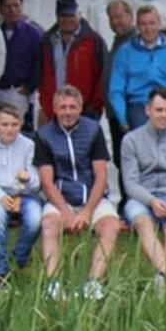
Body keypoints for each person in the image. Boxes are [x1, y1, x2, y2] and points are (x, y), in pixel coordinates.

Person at [33, 84, 120, 298]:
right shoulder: (44, 135)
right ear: (54, 109)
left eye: (73, 107)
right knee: (49, 224)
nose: (68, 112)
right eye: (63, 107)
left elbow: (101, 176)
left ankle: (93, 282)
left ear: (80, 108)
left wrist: (87, 212)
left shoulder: (93, 130)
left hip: (93, 197)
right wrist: (66, 213)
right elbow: (46, 181)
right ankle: (53, 284)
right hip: (61, 198)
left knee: (110, 225)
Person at [118, 86, 166, 286]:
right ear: (147, 110)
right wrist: (151, 201)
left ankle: (163, 280)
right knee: (143, 223)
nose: (164, 115)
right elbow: (130, 183)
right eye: (159, 110)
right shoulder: (130, 140)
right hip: (143, 195)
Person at [109, 5, 166, 133]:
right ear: (137, 26)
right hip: (139, 104)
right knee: (144, 138)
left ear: (159, 24)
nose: (148, 28)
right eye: (143, 24)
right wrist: (123, 119)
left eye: (152, 23)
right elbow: (116, 90)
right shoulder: (125, 52)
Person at [0, 103, 43, 280]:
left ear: (20, 124)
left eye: (14, 125)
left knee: (35, 219)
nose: (10, 129)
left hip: (26, 194)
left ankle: (17, 259)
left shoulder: (29, 145)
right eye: (5, 125)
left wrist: (26, 181)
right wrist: (0, 197)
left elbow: (36, 181)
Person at [39, 0, 107, 124]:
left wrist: (94, 106)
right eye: (63, 16)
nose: (67, 20)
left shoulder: (94, 40)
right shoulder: (46, 41)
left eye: (71, 15)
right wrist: (47, 105)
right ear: (57, 17)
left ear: (79, 15)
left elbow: (103, 76)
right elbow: (41, 73)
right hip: (54, 111)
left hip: (86, 112)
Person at [0, 0, 45, 123]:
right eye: (8, 6)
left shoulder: (33, 33)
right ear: (0, 9)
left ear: (21, 7)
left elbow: (41, 62)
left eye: (16, 5)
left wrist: (30, 86)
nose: (12, 10)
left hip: (21, 92)